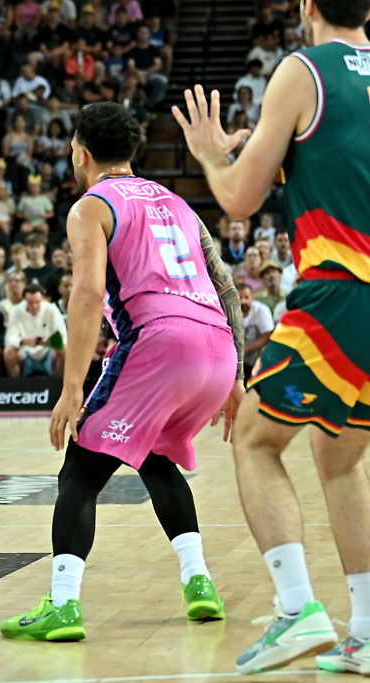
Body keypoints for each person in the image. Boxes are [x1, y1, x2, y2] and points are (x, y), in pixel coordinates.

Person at [174, 0, 370, 672]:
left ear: (306, 6)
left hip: (343, 288)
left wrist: (208, 154)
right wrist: (272, 149)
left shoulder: (302, 69)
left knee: (255, 437)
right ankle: (368, 630)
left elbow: (236, 200)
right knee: (340, 457)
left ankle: (296, 610)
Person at [2, 102, 245, 642]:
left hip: (160, 341)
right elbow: (226, 283)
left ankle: (62, 604)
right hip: (218, 347)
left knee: (80, 471)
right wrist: (238, 375)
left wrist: (71, 391)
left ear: (81, 153)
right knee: (156, 457)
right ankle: (199, 581)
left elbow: (87, 296)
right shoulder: (178, 202)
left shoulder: (91, 205)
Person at [3, 283, 66, 377]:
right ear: (24, 300)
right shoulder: (15, 311)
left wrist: (49, 340)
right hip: (25, 351)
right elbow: (10, 338)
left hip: (48, 351)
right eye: (30, 302)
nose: (34, 306)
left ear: (43, 299)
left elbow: (63, 336)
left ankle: (59, 385)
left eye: (37, 302)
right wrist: (22, 341)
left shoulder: (52, 309)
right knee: (8, 352)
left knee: (65, 349)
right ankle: (15, 386)